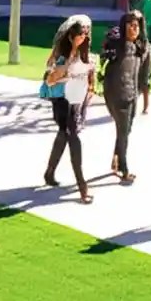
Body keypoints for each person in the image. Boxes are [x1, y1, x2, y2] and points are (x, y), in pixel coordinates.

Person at [43, 22, 94, 204]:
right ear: (71, 37)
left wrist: (90, 85)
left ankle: (50, 172)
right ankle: (82, 185)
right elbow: (49, 80)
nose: (83, 38)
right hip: (62, 101)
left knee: (64, 134)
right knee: (73, 137)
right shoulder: (61, 56)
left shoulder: (85, 55)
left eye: (85, 35)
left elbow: (88, 78)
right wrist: (65, 72)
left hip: (76, 101)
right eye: (80, 35)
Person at [101, 11, 151, 183]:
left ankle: (116, 159)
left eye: (136, 25)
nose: (133, 28)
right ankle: (124, 168)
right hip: (116, 93)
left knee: (126, 130)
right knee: (123, 131)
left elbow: (145, 76)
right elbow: (104, 64)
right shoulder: (117, 44)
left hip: (132, 95)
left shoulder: (144, 47)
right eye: (130, 25)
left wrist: (144, 99)